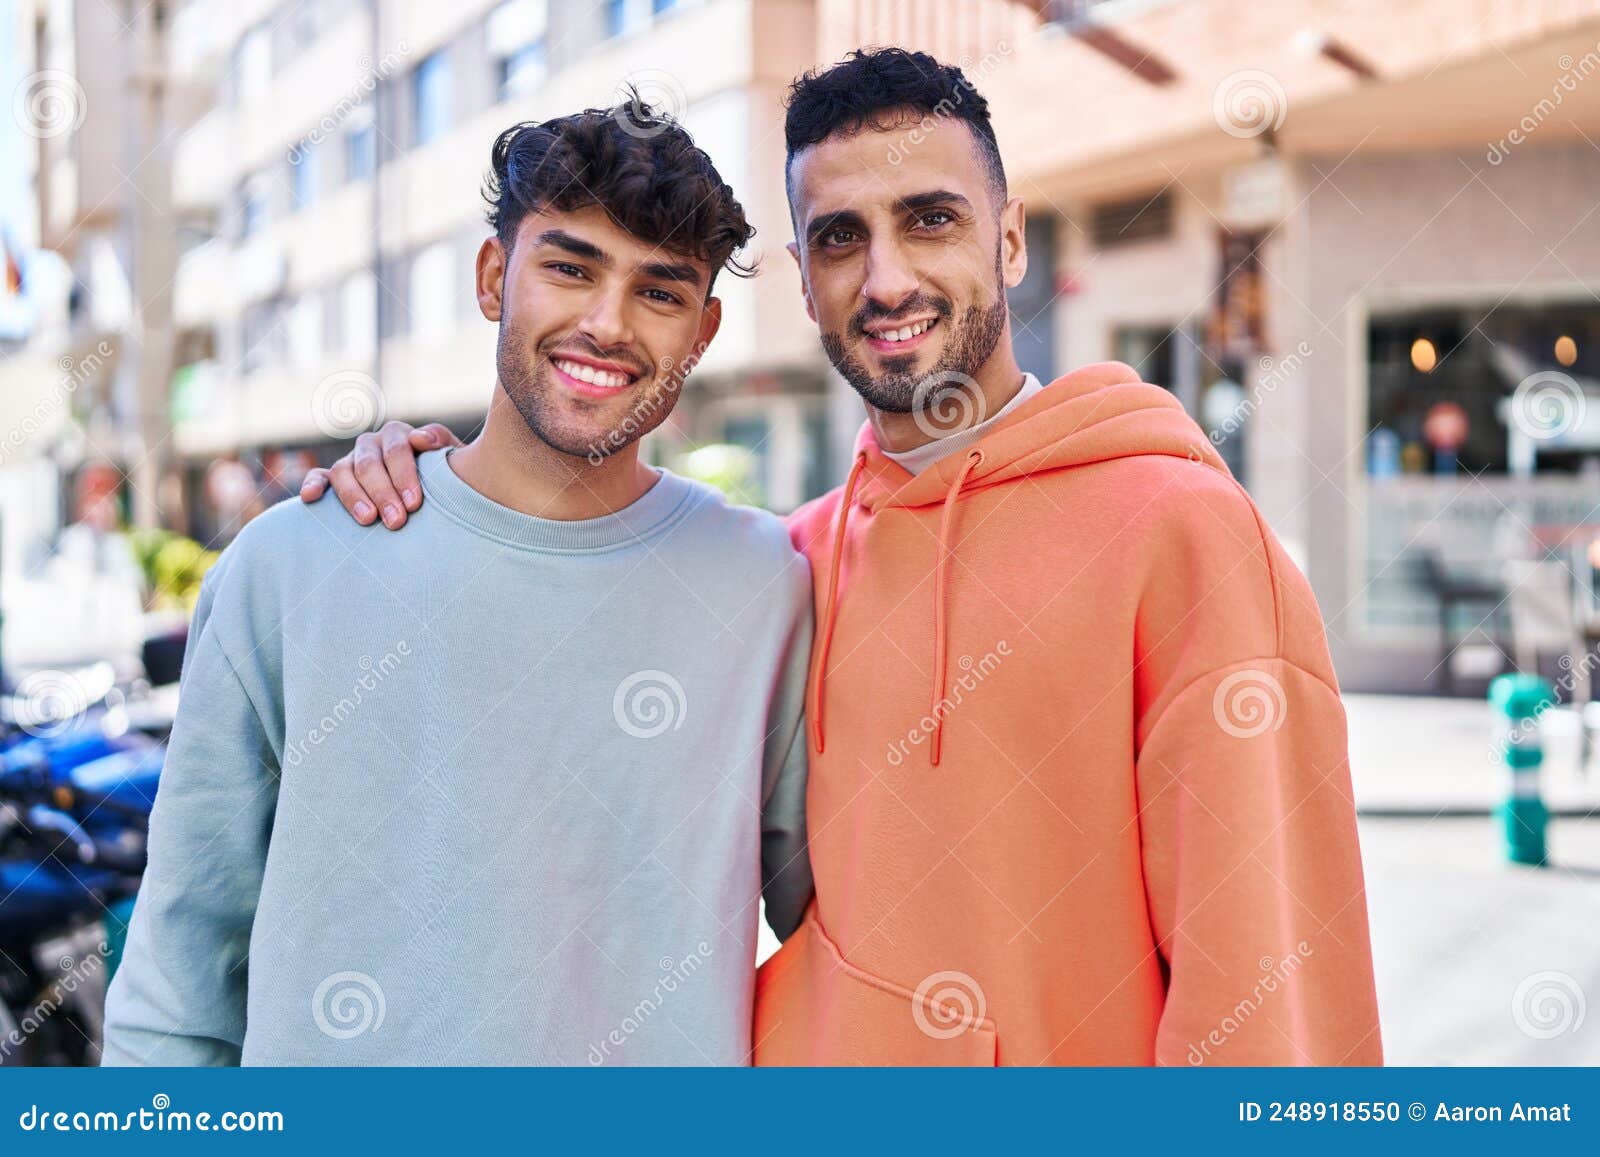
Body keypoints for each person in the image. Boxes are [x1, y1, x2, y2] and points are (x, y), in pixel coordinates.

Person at [305, 49, 1383, 1066]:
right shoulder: (787, 566)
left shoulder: (1181, 532)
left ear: (1009, 241)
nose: (886, 278)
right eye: (839, 238)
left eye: (930, 220)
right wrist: (437, 493)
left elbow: (1270, 1002)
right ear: (801, 277)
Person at [102, 102, 814, 1066]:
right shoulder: (289, 567)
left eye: (659, 290)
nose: (606, 324)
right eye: (570, 268)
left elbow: (836, 929)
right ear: (491, 277)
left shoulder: (762, 586)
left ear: (704, 331)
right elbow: (179, 980)